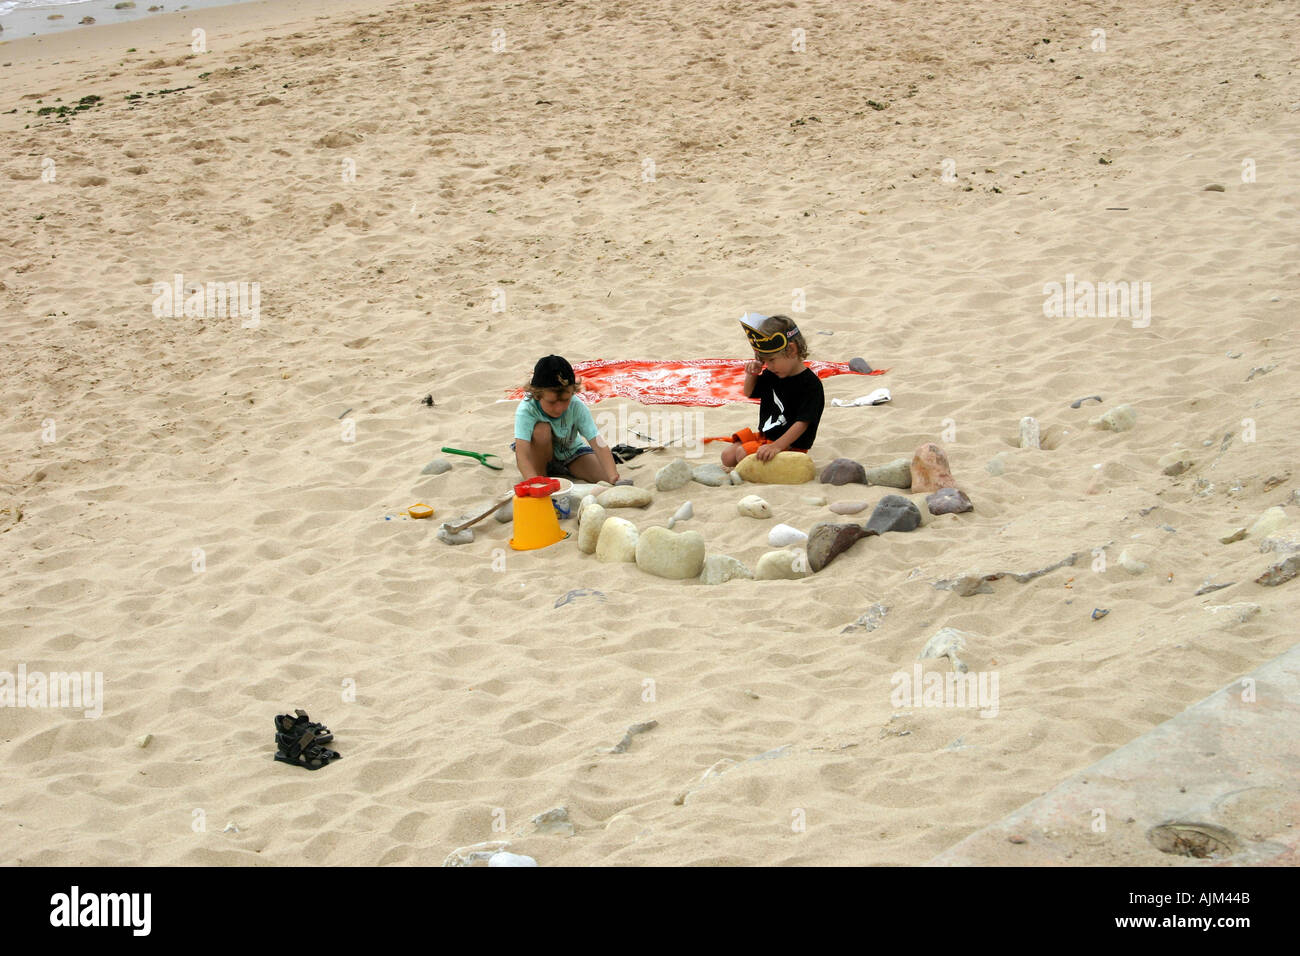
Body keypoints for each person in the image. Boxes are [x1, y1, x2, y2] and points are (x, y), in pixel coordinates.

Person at [720, 313, 825, 468]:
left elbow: (802, 423)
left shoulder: (811, 384)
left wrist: (777, 446)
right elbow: (749, 392)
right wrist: (752, 374)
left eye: (772, 360)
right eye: (764, 361)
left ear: (791, 350)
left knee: (742, 454)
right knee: (727, 456)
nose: (768, 366)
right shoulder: (772, 373)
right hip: (767, 437)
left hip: (790, 446)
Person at [513, 355, 620, 483]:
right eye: (551, 402)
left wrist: (613, 475)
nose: (559, 408)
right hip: (539, 455)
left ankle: (561, 470)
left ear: (572, 392)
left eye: (565, 400)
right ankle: (543, 476)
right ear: (537, 395)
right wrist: (533, 483)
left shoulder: (577, 405)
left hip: (571, 453)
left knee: (605, 478)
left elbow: (598, 442)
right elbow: (522, 454)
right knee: (541, 430)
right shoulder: (527, 409)